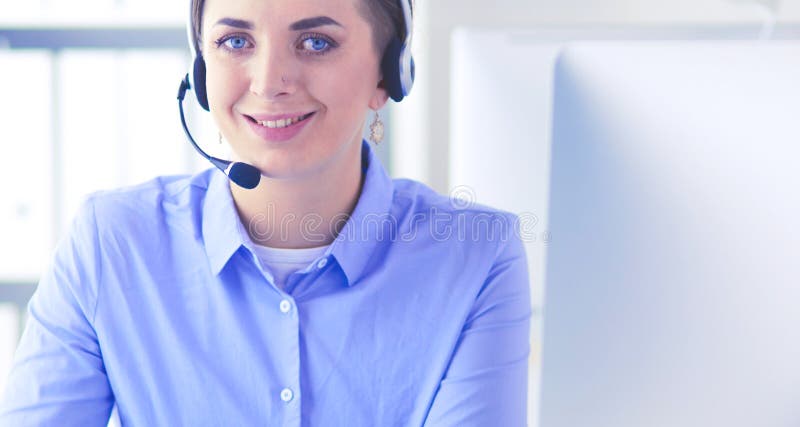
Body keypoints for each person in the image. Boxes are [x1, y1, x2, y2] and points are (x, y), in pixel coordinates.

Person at [0, 0, 531, 425]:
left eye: (316, 42)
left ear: (390, 73)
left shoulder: (478, 257)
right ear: (201, 70)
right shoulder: (112, 244)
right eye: (236, 41)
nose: (268, 81)